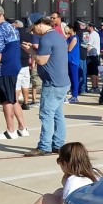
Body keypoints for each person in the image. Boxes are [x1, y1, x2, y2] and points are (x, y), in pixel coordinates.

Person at [21, 15, 69, 157]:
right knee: (57, 115)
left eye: (33, 28)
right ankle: (58, 144)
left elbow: (41, 61)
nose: (33, 32)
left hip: (52, 83)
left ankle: (44, 146)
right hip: (62, 82)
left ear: (40, 24)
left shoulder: (46, 39)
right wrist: (34, 50)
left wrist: (30, 51)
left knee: (46, 114)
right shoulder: (58, 36)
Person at [0, 6, 28, 140]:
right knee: (12, 98)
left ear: (0, 14)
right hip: (15, 65)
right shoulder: (12, 28)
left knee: (6, 100)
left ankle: (10, 130)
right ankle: (22, 128)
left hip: (4, 68)